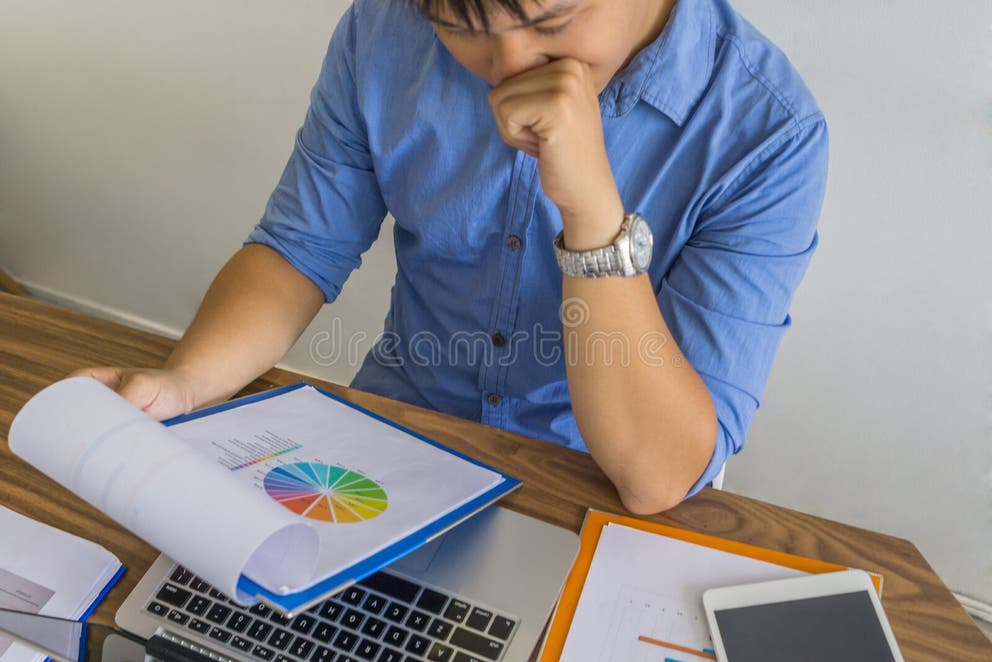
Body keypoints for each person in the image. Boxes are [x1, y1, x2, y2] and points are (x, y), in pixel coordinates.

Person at [72, 0, 827, 514]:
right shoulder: (384, 27)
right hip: (388, 439)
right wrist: (182, 383)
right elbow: (299, 249)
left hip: (588, 486)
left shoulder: (768, 134)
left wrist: (594, 218)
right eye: (462, 26)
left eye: (550, 20)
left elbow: (657, 476)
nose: (507, 64)